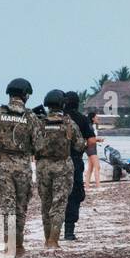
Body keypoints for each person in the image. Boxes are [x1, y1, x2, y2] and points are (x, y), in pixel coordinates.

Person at [0, 78, 39, 257]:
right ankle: (19, 246)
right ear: (26, 95)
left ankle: (9, 245)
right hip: (23, 167)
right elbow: (38, 144)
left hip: (3, 166)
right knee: (21, 207)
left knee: (8, 207)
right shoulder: (30, 117)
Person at [33, 90, 85, 249]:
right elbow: (79, 145)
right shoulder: (68, 123)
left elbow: (32, 144)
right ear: (62, 104)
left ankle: (47, 238)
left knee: (46, 204)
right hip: (63, 166)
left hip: (43, 167)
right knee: (59, 204)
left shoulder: (39, 123)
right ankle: (53, 240)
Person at [63, 90, 96, 240]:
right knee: (74, 194)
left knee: (54, 195)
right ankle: (69, 231)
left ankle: (51, 232)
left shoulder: (56, 117)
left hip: (54, 161)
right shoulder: (81, 119)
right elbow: (91, 141)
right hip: (75, 160)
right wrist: (83, 150)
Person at [85, 111, 102, 189]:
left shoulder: (90, 126)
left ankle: (87, 186)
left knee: (90, 168)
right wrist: (98, 140)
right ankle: (98, 186)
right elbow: (89, 139)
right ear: (92, 118)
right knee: (97, 167)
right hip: (91, 148)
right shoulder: (90, 127)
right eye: (96, 117)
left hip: (91, 147)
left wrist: (97, 140)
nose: (98, 118)